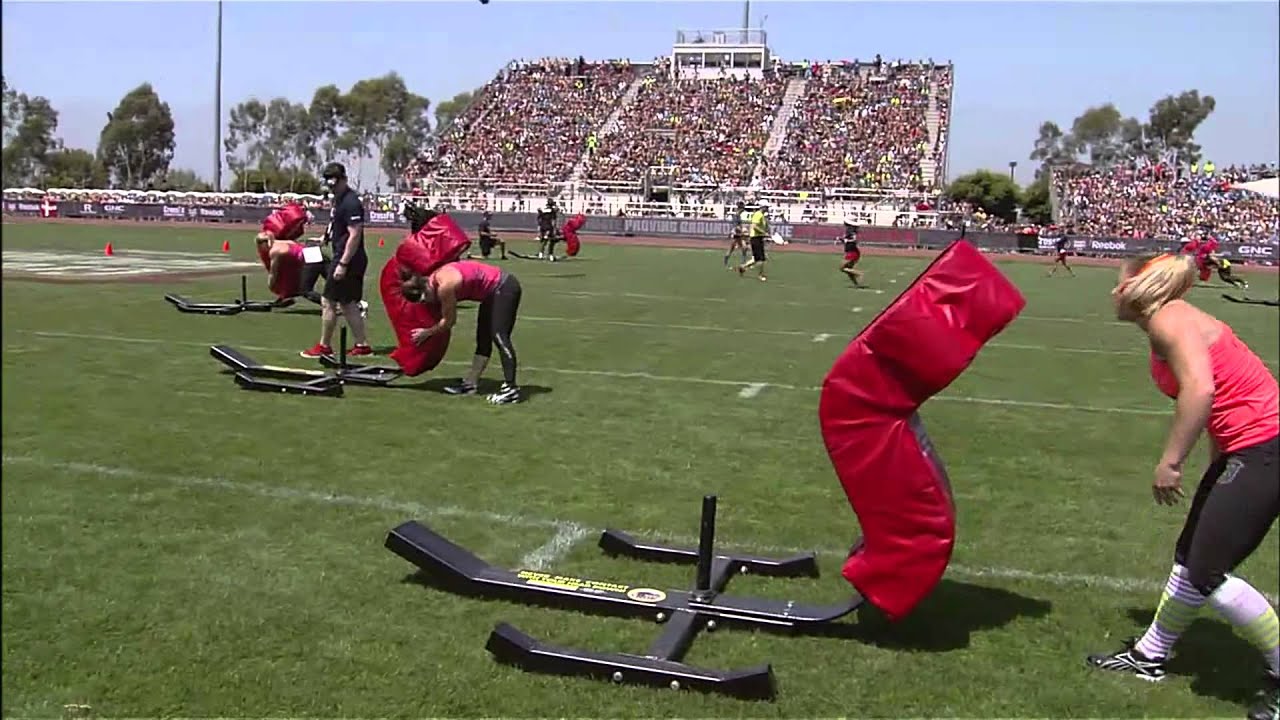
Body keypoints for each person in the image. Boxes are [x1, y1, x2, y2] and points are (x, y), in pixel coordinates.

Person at [1088, 253, 1278, 720]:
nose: (1113, 293)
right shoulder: (1171, 319)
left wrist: (1170, 462)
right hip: (1247, 448)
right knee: (1189, 557)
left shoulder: (1167, 321)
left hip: (1266, 447)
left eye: (1119, 284)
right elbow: (1226, 390)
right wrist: (1219, 458)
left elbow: (1201, 389)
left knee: (1207, 571)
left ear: (1138, 289)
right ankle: (1150, 655)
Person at [401, 259, 524, 405]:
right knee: (483, 338)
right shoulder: (435, 277)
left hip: (503, 287)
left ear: (424, 293)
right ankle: (471, 383)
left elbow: (449, 322)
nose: (429, 304)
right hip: (492, 292)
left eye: (424, 301)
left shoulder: (444, 287)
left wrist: (427, 333)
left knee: (499, 336)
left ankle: (511, 389)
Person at [300, 162, 373, 358]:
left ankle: (324, 346)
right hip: (348, 256)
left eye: (335, 183)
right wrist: (324, 239)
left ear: (343, 179)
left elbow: (355, 233)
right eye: (329, 184)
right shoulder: (339, 200)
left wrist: (343, 263)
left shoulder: (350, 202)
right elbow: (336, 225)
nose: (332, 188)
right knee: (348, 304)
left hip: (348, 258)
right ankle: (362, 345)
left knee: (328, 301)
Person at [736, 200, 770, 282]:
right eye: (767, 207)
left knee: (756, 258)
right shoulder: (758, 215)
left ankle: (743, 267)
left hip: (758, 238)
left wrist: (765, 232)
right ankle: (760, 275)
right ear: (763, 207)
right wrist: (764, 232)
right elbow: (754, 226)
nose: (768, 208)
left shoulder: (761, 215)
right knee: (761, 259)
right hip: (756, 238)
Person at [837, 222, 864, 286]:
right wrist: (841, 240)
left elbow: (850, 240)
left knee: (842, 268)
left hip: (851, 252)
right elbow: (848, 240)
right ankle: (856, 284)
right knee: (849, 269)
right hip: (853, 252)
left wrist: (841, 239)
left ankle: (859, 273)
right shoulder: (851, 231)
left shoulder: (849, 231)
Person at [723, 201, 749, 268]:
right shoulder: (736, 216)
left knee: (743, 248)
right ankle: (742, 263)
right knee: (738, 248)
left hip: (738, 234)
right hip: (736, 234)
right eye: (743, 208)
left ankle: (742, 262)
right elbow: (736, 226)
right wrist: (743, 232)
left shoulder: (738, 215)